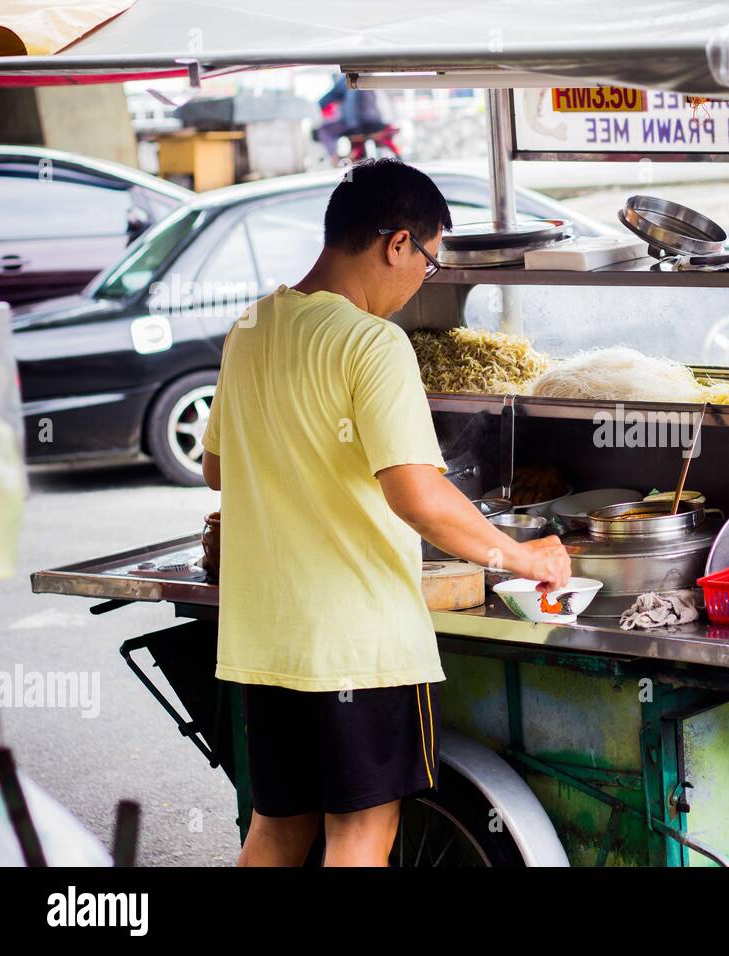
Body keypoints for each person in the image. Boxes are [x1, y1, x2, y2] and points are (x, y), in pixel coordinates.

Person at [200, 159, 570, 867]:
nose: (418, 284)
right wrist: (525, 557)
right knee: (362, 834)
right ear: (398, 243)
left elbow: (217, 470)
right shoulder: (372, 342)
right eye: (429, 263)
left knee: (278, 827)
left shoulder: (252, 327)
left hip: (266, 640)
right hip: (356, 644)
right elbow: (418, 495)